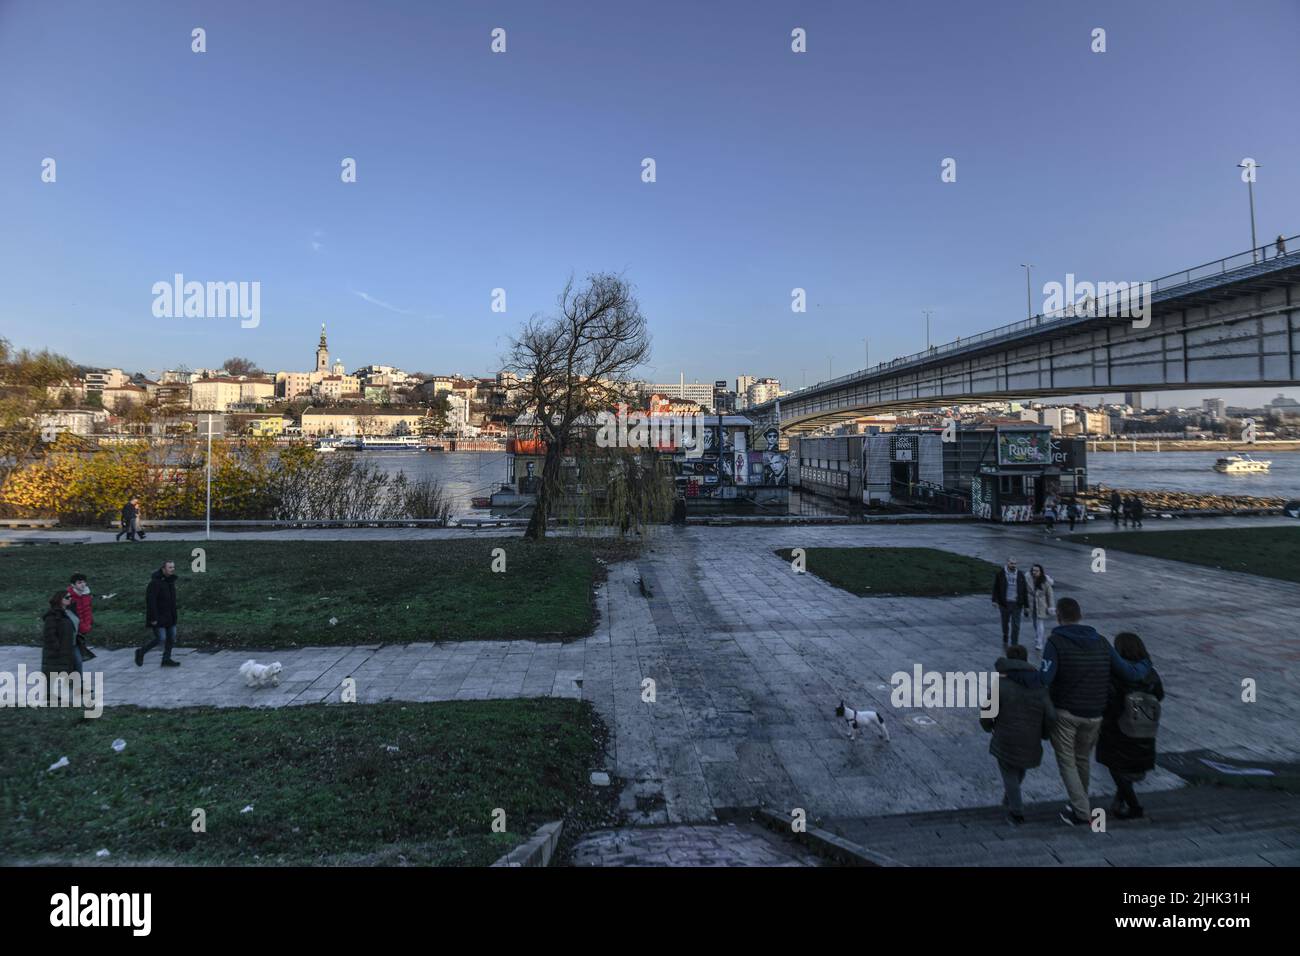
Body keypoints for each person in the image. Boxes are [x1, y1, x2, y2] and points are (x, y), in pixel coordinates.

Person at [1040, 598, 1152, 826]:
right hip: (1094, 714)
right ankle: (1079, 803)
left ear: (1059, 616)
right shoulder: (1101, 641)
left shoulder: (1055, 642)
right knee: (1082, 759)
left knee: (1067, 762)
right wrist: (1146, 663)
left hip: (1066, 713)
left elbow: (1044, 679)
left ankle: (1081, 811)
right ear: (1080, 615)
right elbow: (1130, 673)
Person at [981, 644, 1056, 825]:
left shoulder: (1001, 685)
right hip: (1031, 737)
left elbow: (987, 712)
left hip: (1005, 737)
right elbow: (1051, 715)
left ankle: (1016, 811)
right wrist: (1044, 733)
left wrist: (987, 726)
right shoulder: (1039, 685)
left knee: (1009, 773)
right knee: (1019, 769)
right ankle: (1009, 800)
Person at [1097, 632, 1164, 821]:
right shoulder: (1150, 672)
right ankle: (1119, 801)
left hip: (1118, 728)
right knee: (1129, 765)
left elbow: (1110, 701)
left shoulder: (1116, 674)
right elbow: (1159, 694)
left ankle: (1134, 806)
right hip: (1144, 725)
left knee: (1116, 767)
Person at [136, 560, 181, 667]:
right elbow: (151, 601)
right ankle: (141, 652)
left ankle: (166, 659)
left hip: (170, 615)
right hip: (159, 616)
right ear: (163, 569)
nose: (172, 569)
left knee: (171, 637)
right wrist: (153, 618)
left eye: (173, 567)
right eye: (170, 567)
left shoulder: (170, 581)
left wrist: (174, 614)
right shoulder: (155, 583)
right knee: (161, 638)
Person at [42, 591, 80, 702]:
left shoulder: (68, 612)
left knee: (72, 666)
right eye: (67, 597)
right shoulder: (53, 615)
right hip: (57, 648)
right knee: (51, 671)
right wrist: (56, 646)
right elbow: (49, 633)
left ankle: (76, 687)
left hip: (68, 646)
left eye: (70, 597)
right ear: (60, 600)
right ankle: (49, 695)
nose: (70, 599)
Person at [991, 558, 1029, 647]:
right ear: (1007, 563)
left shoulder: (1020, 575)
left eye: (1015, 564)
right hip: (1005, 603)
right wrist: (994, 600)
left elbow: (1024, 591)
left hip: (1017, 604)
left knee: (1016, 625)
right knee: (1005, 622)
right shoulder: (1000, 574)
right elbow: (995, 588)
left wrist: (1026, 606)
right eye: (1011, 563)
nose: (1013, 565)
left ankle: (1014, 643)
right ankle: (1005, 635)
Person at [65, 573, 97, 661]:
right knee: (76, 659)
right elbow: (73, 615)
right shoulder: (69, 597)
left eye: (84, 582)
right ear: (73, 585)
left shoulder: (86, 595)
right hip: (76, 629)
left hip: (85, 625)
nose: (83, 584)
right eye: (79, 583)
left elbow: (87, 609)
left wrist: (89, 622)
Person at [1027, 563, 1056, 654]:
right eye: (1033, 570)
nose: (1034, 572)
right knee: (1035, 622)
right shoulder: (1028, 579)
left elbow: (1050, 595)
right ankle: (1038, 636)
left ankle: (1039, 642)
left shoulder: (1045, 581)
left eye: (1037, 571)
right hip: (1032, 604)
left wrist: (1051, 606)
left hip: (1042, 605)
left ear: (1041, 572)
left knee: (1040, 623)